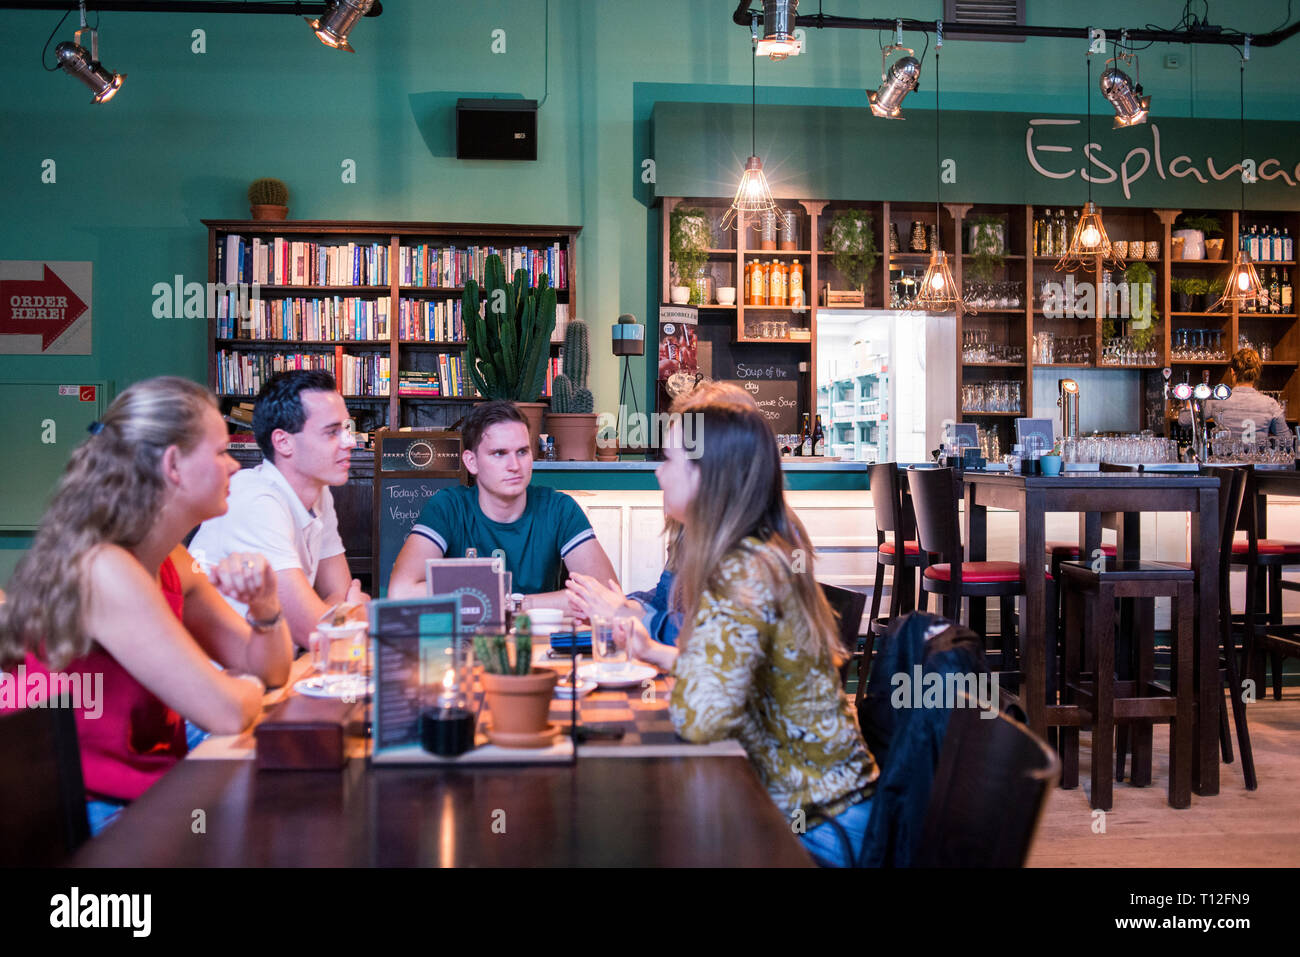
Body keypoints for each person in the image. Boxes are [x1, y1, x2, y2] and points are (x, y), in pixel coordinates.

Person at [0, 377, 293, 833]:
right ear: (173, 465)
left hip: (144, 791)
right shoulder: (105, 569)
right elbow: (227, 710)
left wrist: (265, 605)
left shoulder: (173, 561)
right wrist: (239, 685)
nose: (235, 465)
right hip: (82, 813)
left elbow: (271, 672)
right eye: (220, 452)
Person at [617, 396, 877, 867]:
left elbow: (702, 719)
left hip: (819, 825)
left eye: (669, 459)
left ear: (705, 475)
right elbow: (733, 675)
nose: (658, 472)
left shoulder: (742, 571)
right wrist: (655, 653)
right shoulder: (758, 551)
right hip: (829, 805)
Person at [565, 381, 763, 645]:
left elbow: (709, 640)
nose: (658, 472)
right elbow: (665, 600)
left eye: (670, 459)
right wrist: (621, 607)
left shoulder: (754, 549)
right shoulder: (691, 528)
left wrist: (624, 615)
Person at [191, 370, 366, 650]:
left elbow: (339, 593)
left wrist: (335, 613)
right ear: (283, 442)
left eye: (347, 429)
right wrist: (348, 612)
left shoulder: (319, 492)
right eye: (332, 432)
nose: (350, 442)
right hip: (225, 676)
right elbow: (316, 635)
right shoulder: (256, 500)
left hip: (275, 666)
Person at [388, 400, 619, 610]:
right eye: (499, 453)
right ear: (471, 461)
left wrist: (512, 602)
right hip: (468, 646)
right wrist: (509, 599)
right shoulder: (447, 508)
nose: (514, 465)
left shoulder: (559, 509)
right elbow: (401, 594)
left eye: (522, 452)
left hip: (538, 644)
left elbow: (607, 595)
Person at [1178, 347, 1293, 444]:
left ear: (1232, 372)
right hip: (1258, 466)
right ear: (1257, 374)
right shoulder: (1270, 404)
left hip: (1226, 465)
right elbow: (1286, 441)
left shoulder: (1218, 401)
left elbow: (1183, 420)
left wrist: (1191, 399)